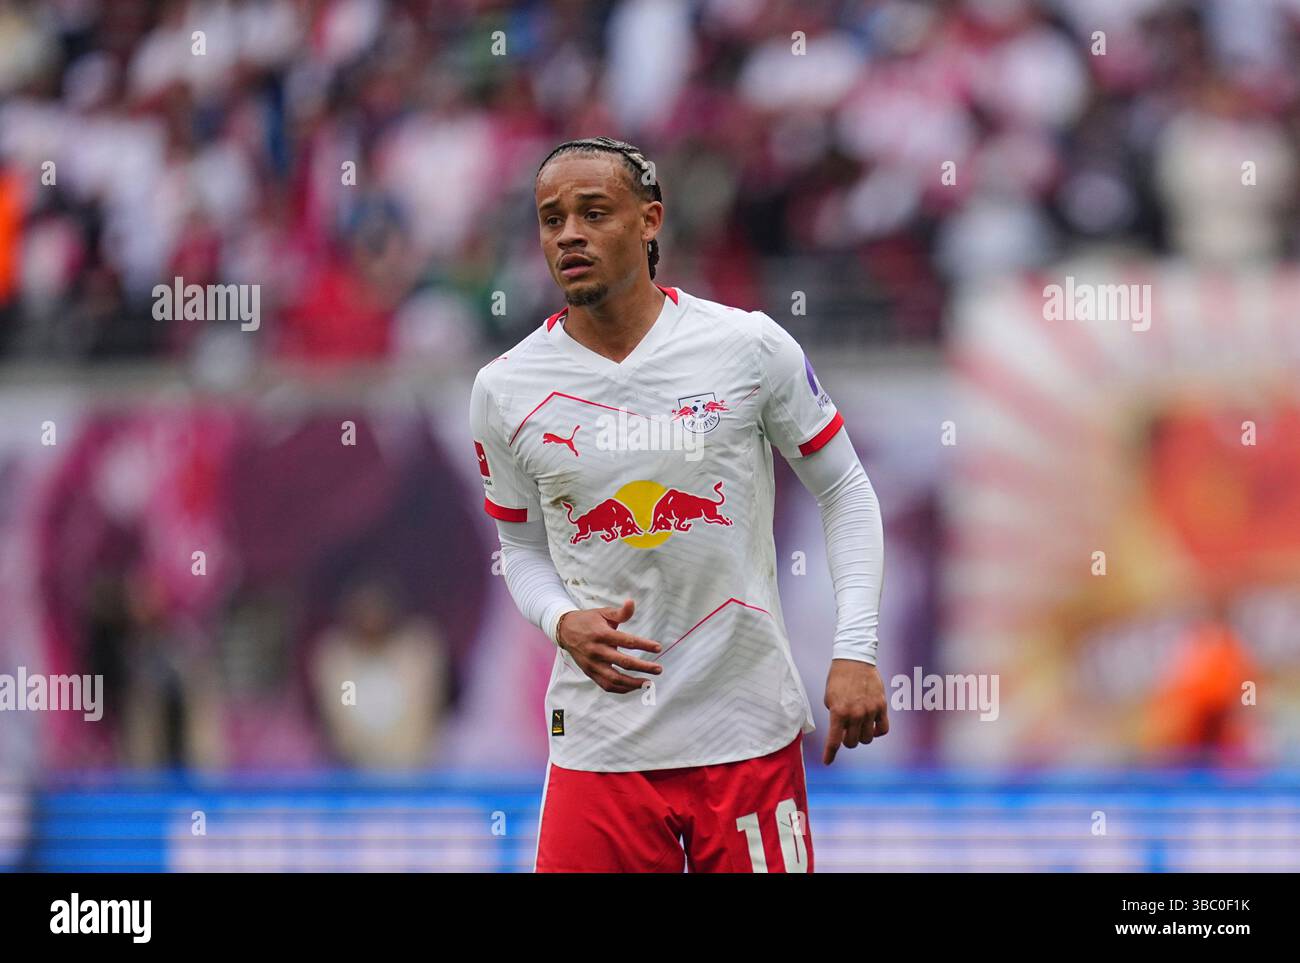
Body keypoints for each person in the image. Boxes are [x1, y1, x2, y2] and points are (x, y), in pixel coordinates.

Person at [469, 137, 886, 872]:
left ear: (650, 219)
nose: (569, 233)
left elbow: (845, 488)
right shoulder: (506, 389)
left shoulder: (747, 346)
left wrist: (855, 648)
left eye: (594, 212)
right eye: (551, 218)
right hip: (600, 747)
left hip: (746, 735)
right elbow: (522, 550)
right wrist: (560, 619)